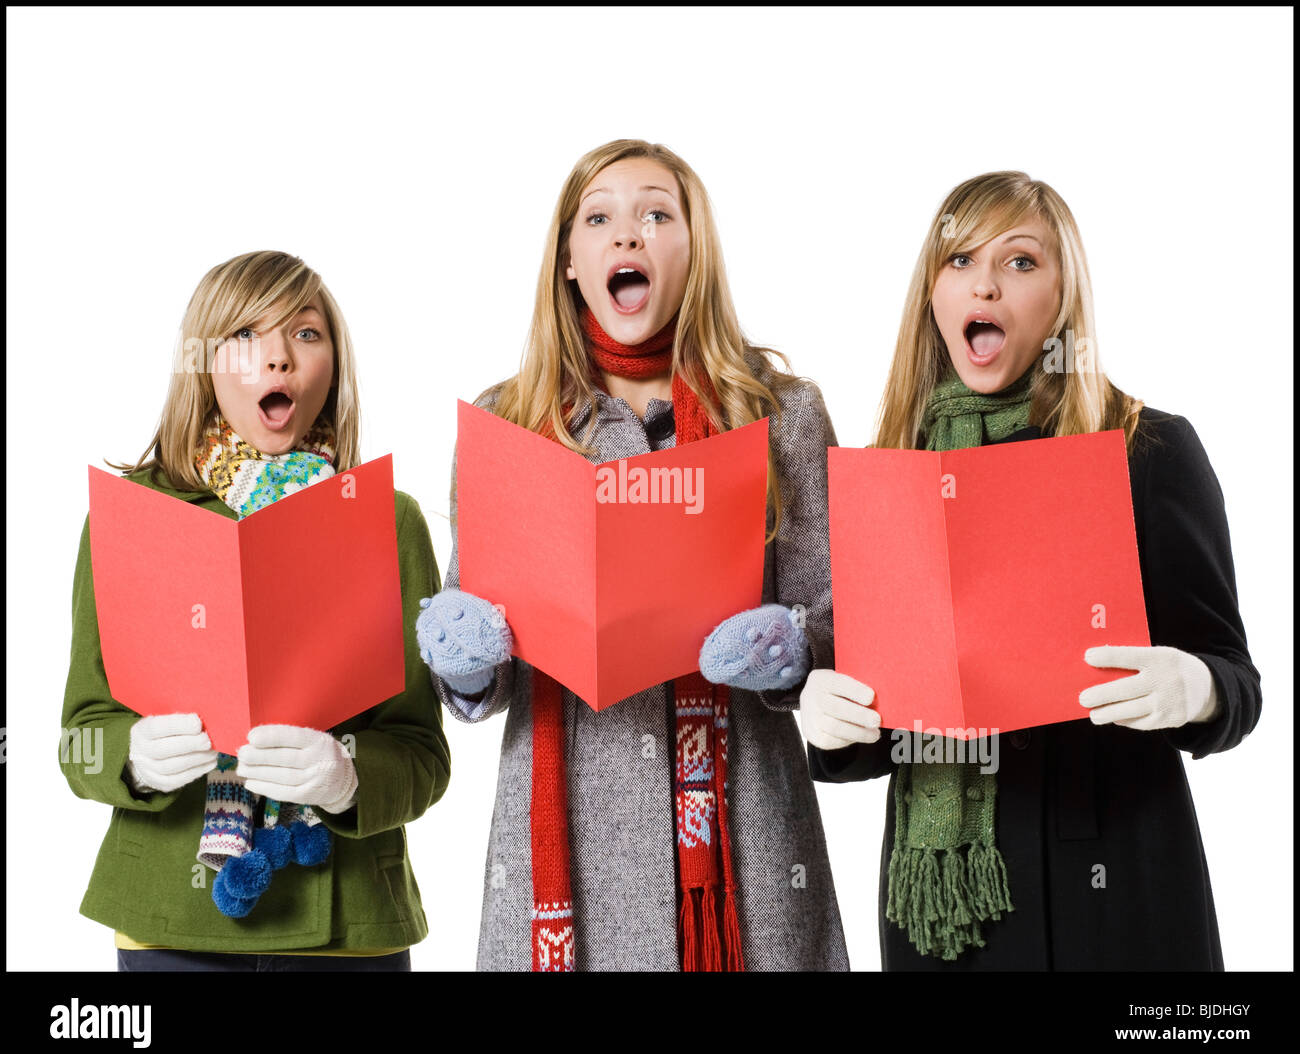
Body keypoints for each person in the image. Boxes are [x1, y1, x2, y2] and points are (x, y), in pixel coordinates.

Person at [799, 171, 1262, 970]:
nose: (985, 282)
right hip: (943, 922)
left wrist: (1197, 686)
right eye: (959, 262)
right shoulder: (890, 476)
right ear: (934, 297)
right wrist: (832, 721)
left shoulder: (1147, 451)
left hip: (1115, 893)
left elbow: (1236, 682)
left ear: (1063, 298)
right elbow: (885, 725)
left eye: (1020, 262)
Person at [417, 139, 849, 971]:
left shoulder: (780, 412)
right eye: (600, 218)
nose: (629, 236)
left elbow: (845, 612)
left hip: (741, 834)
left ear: (694, 250)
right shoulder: (510, 419)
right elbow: (474, 672)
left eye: (657, 213)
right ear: (571, 262)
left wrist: (794, 645)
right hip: (566, 831)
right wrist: (465, 653)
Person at [61, 250, 450, 971]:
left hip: (349, 923)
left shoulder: (388, 522)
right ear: (203, 365)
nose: (277, 359)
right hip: (171, 923)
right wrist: (134, 758)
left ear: (333, 362)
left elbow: (425, 753)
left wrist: (350, 774)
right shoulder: (132, 519)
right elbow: (79, 736)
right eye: (244, 337)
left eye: (305, 334)